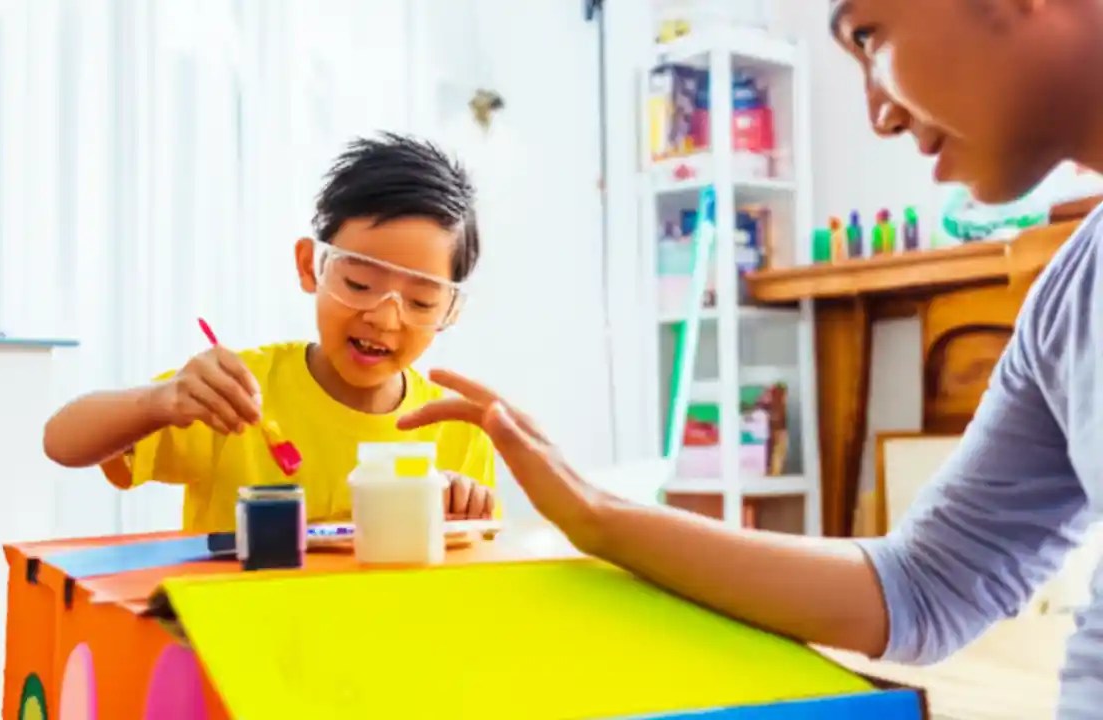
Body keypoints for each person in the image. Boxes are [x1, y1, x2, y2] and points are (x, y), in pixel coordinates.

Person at [398, 1, 1103, 716]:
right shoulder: (1069, 299)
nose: (879, 114)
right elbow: (925, 585)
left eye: (869, 35)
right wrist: (592, 513)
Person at [44, 134, 497, 532]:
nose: (384, 319)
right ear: (308, 266)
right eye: (359, 284)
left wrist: (465, 510)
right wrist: (161, 401)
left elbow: (474, 571)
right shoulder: (237, 393)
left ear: (450, 310)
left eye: (420, 302)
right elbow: (62, 442)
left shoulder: (457, 429)